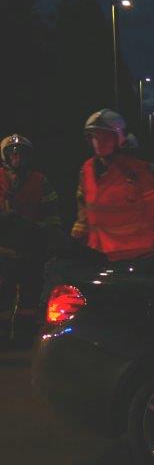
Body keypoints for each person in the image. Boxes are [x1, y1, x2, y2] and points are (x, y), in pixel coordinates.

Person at [71, 110, 154, 260]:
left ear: (118, 138)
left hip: (136, 259)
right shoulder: (86, 171)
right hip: (100, 257)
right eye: (93, 136)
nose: (97, 142)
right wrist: (72, 246)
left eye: (103, 136)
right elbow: (83, 217)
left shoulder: (140, 172)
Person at [0, 134, 61, 341]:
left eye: (21, 153)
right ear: (5, 156)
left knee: (30, 298)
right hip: (3, 251)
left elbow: (52, 215)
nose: (17, 156)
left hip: (31, 249)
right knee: (2, 297)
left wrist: (48, 237)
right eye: (12, 153)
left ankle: (25, 338)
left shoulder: (40, 180)